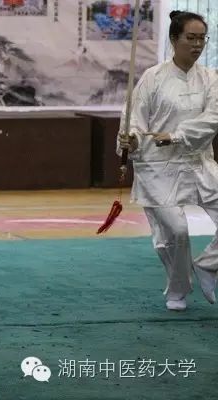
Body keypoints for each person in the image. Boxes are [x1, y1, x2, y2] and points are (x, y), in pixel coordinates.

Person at [118, 11, 218, 311]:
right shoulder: (153, 78)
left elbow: (213, 119)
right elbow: (133, 119)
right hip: (158, 166)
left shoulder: (211, 79)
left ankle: (208, 265)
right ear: (175, 39)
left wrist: (175, 136)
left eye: (202, 38)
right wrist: (131, 138)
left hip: (198, 161)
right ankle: (178, 289)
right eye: (191, 38)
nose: (198, 44)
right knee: (176, 230)